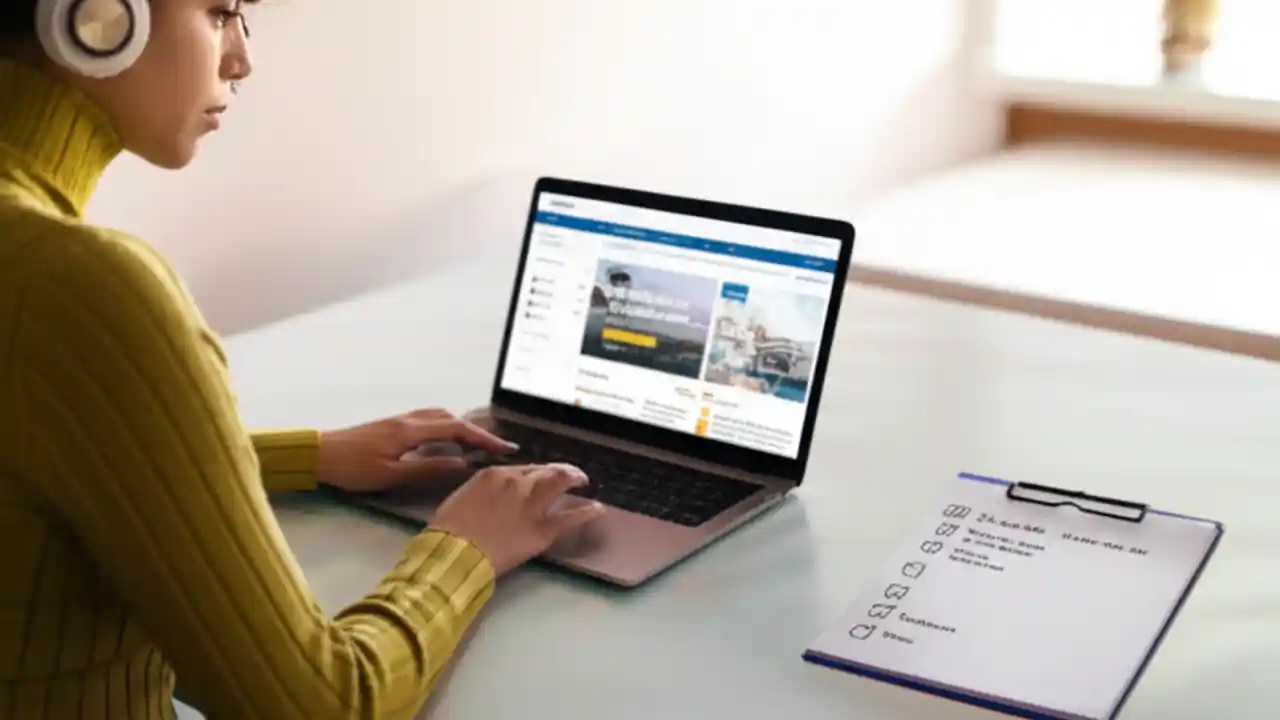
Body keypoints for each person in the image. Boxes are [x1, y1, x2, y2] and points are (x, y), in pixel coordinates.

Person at [0, 1, 606, 717]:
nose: (242, 59)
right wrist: (466, 545)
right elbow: (320, 704)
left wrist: (312, 456)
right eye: (220, 11)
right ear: (97, 16)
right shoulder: (83, 288)